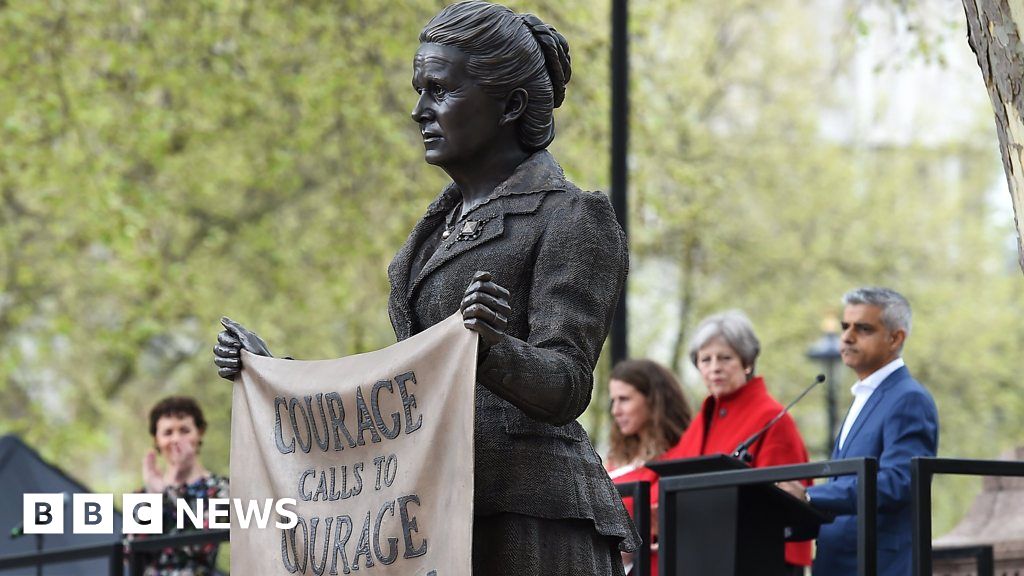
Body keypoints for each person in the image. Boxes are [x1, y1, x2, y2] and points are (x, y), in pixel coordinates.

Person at [212, 2, 639, 574]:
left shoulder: (570, 217)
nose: (419, 111)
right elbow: (404, 388)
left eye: (441, 91)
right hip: (435, 510)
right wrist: (280, 384)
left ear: (510, 105)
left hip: (528, 521)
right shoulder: (428, 236)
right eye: (420, 91)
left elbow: (566, 385)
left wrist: (488, 349)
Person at [779, 287, 939, 576]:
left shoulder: (908, 399)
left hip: (875, 564)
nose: (847, 337)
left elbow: (898, 483)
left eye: (863, 328)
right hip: (837, 562)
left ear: (895, 338)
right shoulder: (865, 396)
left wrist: (811, 497)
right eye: (845, 326)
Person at [662, 310, 813, 572]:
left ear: (747, 362)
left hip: (760, 559)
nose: (714, 367)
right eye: (705, 360)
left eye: (725, 358)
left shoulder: (771, 417)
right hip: (704, 554)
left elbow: (782, 497)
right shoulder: (703, 420)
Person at [606, 359, 693, 576]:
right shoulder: (613, 461)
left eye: (624, 399)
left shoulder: (680, 456)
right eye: (613, 401)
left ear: (653, 400)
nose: (616, 411)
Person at [137, 396, 228, 576]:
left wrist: (167, 493)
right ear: (156, 440)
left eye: (184, 430)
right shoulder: (145, 494)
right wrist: (153, 496)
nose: (176, 439)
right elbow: (130, 554)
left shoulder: (220, 490)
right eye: (168, 432)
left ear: (199, 433)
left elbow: (198, 546)